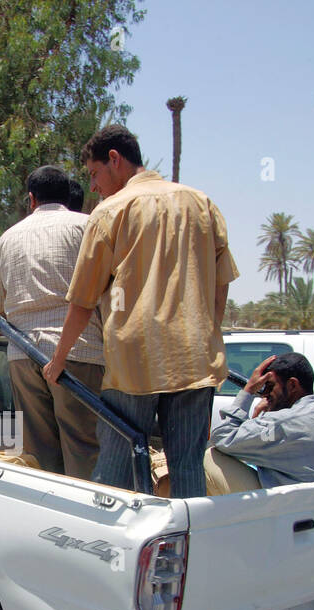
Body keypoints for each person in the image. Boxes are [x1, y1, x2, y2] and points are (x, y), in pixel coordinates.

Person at [43, 124, 240, 498]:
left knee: (116, 471)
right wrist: (209, 330)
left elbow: (83, 301)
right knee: (186, 468)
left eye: (95, 174)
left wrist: (58, 360)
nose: (95, 186)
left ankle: (109, 550)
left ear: (114, 160)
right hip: (196, 359)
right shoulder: (202, 203)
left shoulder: (110, 212)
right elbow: (221, 281)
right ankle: (187, 550)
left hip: (136, 361)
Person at [0, 165, 104, 478]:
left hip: (21, 356)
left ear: (31, 199)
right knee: (84, 447)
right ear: (68, 196)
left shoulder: (7, 239)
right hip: (79, 352)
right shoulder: (86, 226)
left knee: (39, 452)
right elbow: (107, 291)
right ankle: (87, 524)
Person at [206, 353, 314, 494]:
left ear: (292, 385)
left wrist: (249, 391)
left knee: (210, 457)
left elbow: (222, 437)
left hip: (292, 506)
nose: (264, 393)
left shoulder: (284, 422)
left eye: (270, 386)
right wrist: (263, 414)